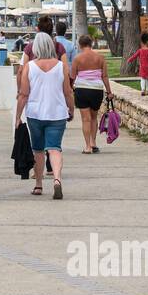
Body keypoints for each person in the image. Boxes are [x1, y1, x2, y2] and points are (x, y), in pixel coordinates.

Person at [15, 32, 74, 199]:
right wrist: (71, 109)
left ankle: (39, 185)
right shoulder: (61, 66)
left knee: (38, 150)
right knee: (54, 148)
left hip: (35, 113)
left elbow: (24, 94)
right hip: (57, 113)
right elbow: (68, 92)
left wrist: (18, 116)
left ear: (35, 48)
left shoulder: (29, 66)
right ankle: (57, 179)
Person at [70, 34, 113, 153]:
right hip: (96, 90)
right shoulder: (100, 58)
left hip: (82, 89)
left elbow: (72, 77)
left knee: (85, 119)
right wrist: (109, 92)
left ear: (80, 45)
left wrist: (69, 89)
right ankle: (94, 143)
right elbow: (104, 76)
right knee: (94, 117)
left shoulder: (77, 59)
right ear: (91, 44)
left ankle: (87, 146)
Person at [129, 32, 148, 96]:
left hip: (142, 67)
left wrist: (129, 60)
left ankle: (143, 90)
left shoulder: (140, 50)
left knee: (143, 79)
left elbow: (134, 56)